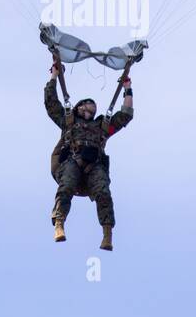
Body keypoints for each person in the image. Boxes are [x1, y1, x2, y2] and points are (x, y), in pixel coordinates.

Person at [45, 60, 133, 250]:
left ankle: (107, 234)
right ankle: (59, 224)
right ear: (78, 108)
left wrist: (127, 89)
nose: (91, 107)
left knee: (103, 192)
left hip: (95, 165)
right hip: (72, 162)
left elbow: (125, 115)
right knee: (66, 186)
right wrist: (54, 75)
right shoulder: (68, 121)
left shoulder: (102, 127)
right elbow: (51, 102)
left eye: (93, 106)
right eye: (87, 104)